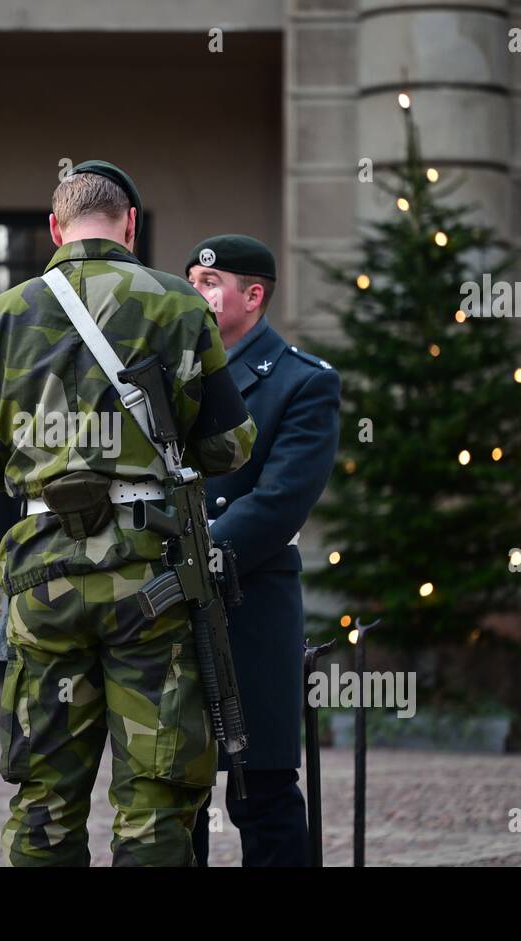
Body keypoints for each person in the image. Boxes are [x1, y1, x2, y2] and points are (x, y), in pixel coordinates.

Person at [0, 161, 256, 866]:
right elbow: (231, 445)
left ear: (55, 227)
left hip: (40, 578)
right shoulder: (179, 305)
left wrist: (43, 471)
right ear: (130, 224)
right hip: (151, 583)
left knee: (44, 795)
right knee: (157, 789)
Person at [185, 234, 340, 867]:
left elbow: (279, 503)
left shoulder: (304, 383)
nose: (196, 294)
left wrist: (191, 561)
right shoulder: (173, 373)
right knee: (174, 788)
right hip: (171, 605)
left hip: (250, 603)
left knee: (263, 789)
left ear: (253, 295)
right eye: (191, 280)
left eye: (209, 284)